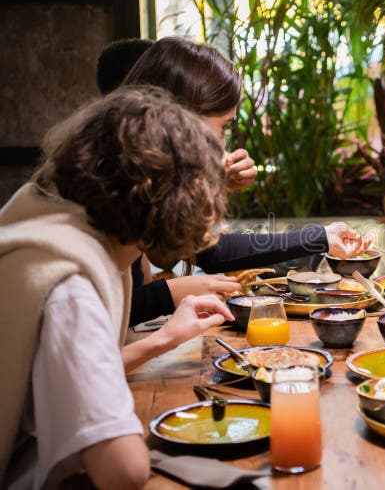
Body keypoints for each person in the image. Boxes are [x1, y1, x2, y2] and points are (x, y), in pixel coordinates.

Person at [0, 87, 236, 488]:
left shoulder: (47, 236)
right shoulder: (71, 285)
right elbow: (122, 471)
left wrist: (163, 339)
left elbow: (67, 377)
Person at [115, 37, 370, 324]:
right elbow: (108, 313)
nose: (224, 145)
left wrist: (322, 237)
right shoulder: (114, 193)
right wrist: (171, 293)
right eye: (223, 128)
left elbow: (209, 250)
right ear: (179, 121)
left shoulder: (137, 175)